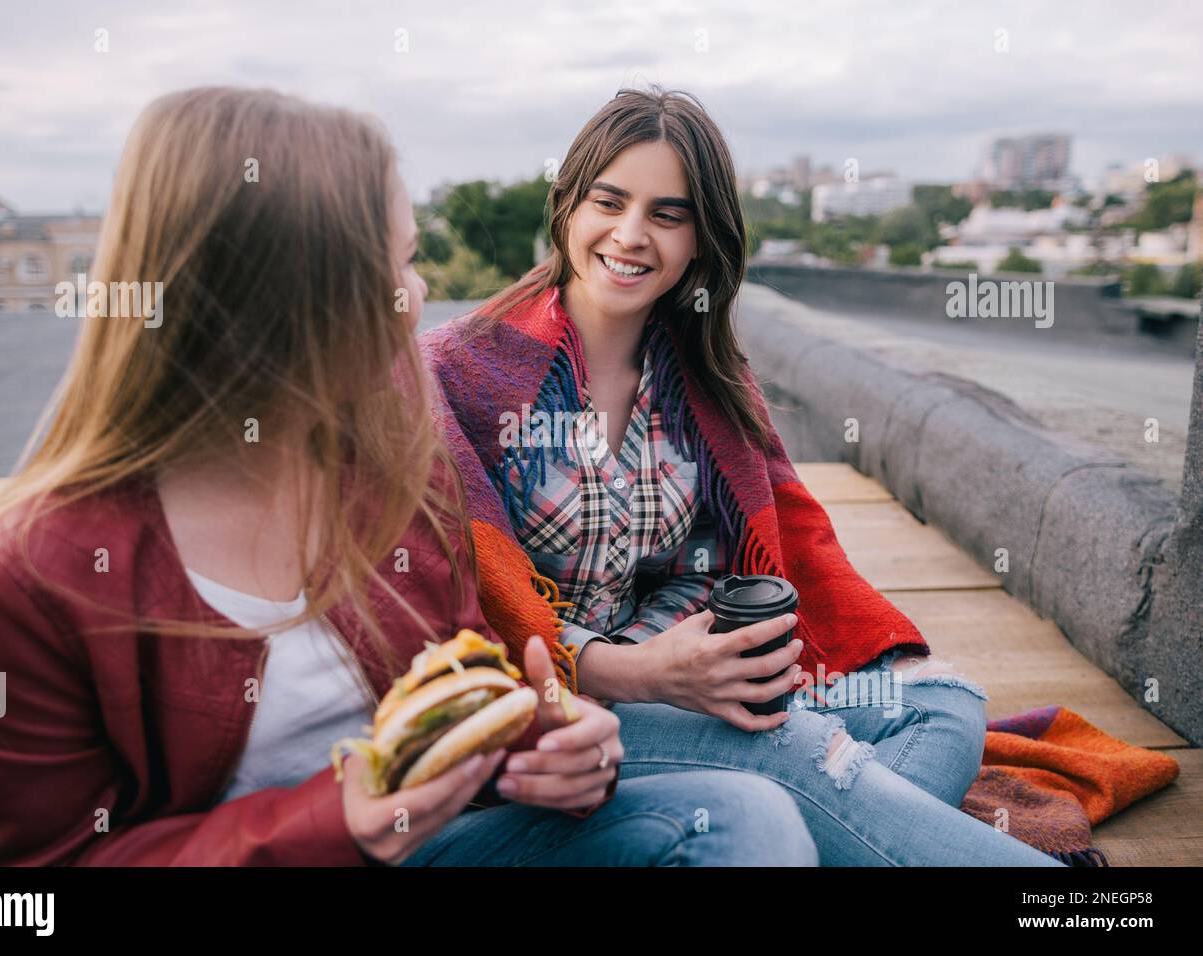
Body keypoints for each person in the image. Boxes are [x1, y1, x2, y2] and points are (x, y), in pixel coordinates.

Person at [0, 86, 818, 867]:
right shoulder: (30, 579)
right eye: (398, 263)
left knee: (751, 820)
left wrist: (544, 751)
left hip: (443, 846)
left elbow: (470, 693)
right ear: (291, 293)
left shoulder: (391, 472)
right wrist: (333, 825)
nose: (422, 294)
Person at [421, 86, 1065, 866]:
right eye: (609, 201)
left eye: (668, 213)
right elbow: (462, 602)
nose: (631, 235)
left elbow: (746, 555)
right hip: (560, 704)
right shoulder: (461, 374)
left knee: (940, 702)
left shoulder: (703, 373)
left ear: (702, 237)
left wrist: (707, 664)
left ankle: (819, 826)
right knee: (797, 749)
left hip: (685, 672)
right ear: (566, 207)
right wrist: (641, 672)